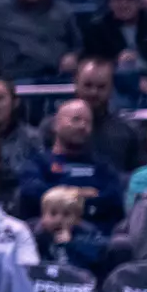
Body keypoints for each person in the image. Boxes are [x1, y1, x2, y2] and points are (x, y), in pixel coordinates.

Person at [20, 98, 125, 228]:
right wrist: (82, 194)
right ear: (56, 125)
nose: (82, 126)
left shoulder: (102, 166)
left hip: (96, 235)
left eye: (87, 122)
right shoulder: (38, 163)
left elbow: (113, 199)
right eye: (76, 120)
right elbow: (33, 195)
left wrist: (59, 192)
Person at [45, 57, 147, 174]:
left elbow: (138, 177)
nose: (94, 92)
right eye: (88, 85)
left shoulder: (127, 132)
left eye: (101, 87)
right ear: (76, 83)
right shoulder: (53, 126)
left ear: (111, 88)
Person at [82, 0, 147, 70]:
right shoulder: (97, 29)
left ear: (140, 2)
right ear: (110, 1)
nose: (123, 4)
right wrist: (116, 62)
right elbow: (91, 64)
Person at [35, 185, 110, 270]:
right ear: (43, 215)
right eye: (53, 213)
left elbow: (98, 254)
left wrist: (71, 243)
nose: (59, 220)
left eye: (66, 214)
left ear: (77, 218)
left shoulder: (86, 232)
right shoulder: (38, 235)